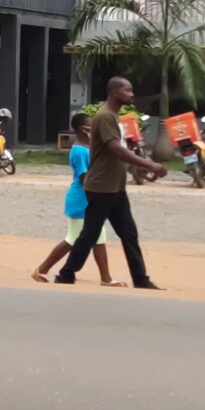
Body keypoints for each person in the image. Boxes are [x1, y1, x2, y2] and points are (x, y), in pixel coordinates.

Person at [54, 77, 167, 289]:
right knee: (89, 234)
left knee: (128, 234)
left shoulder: (114, 117)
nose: (132, 94)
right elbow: (116, 149)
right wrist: (149, 164)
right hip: (101, 187)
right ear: (114, 92)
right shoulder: (105, 116)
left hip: (115, 187)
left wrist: (137, 166)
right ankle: (65, 273)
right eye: (128, 90)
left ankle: (140, 279)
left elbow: (119, 152)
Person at [32, 112, 125, 286]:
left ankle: (106, 278)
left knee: (99, 238)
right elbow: (85, 179)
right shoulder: (80, 151)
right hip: (82, 200)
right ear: (83, 129)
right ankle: (42, 269)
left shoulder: (87, 148)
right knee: (74, 238)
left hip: (87, 200)